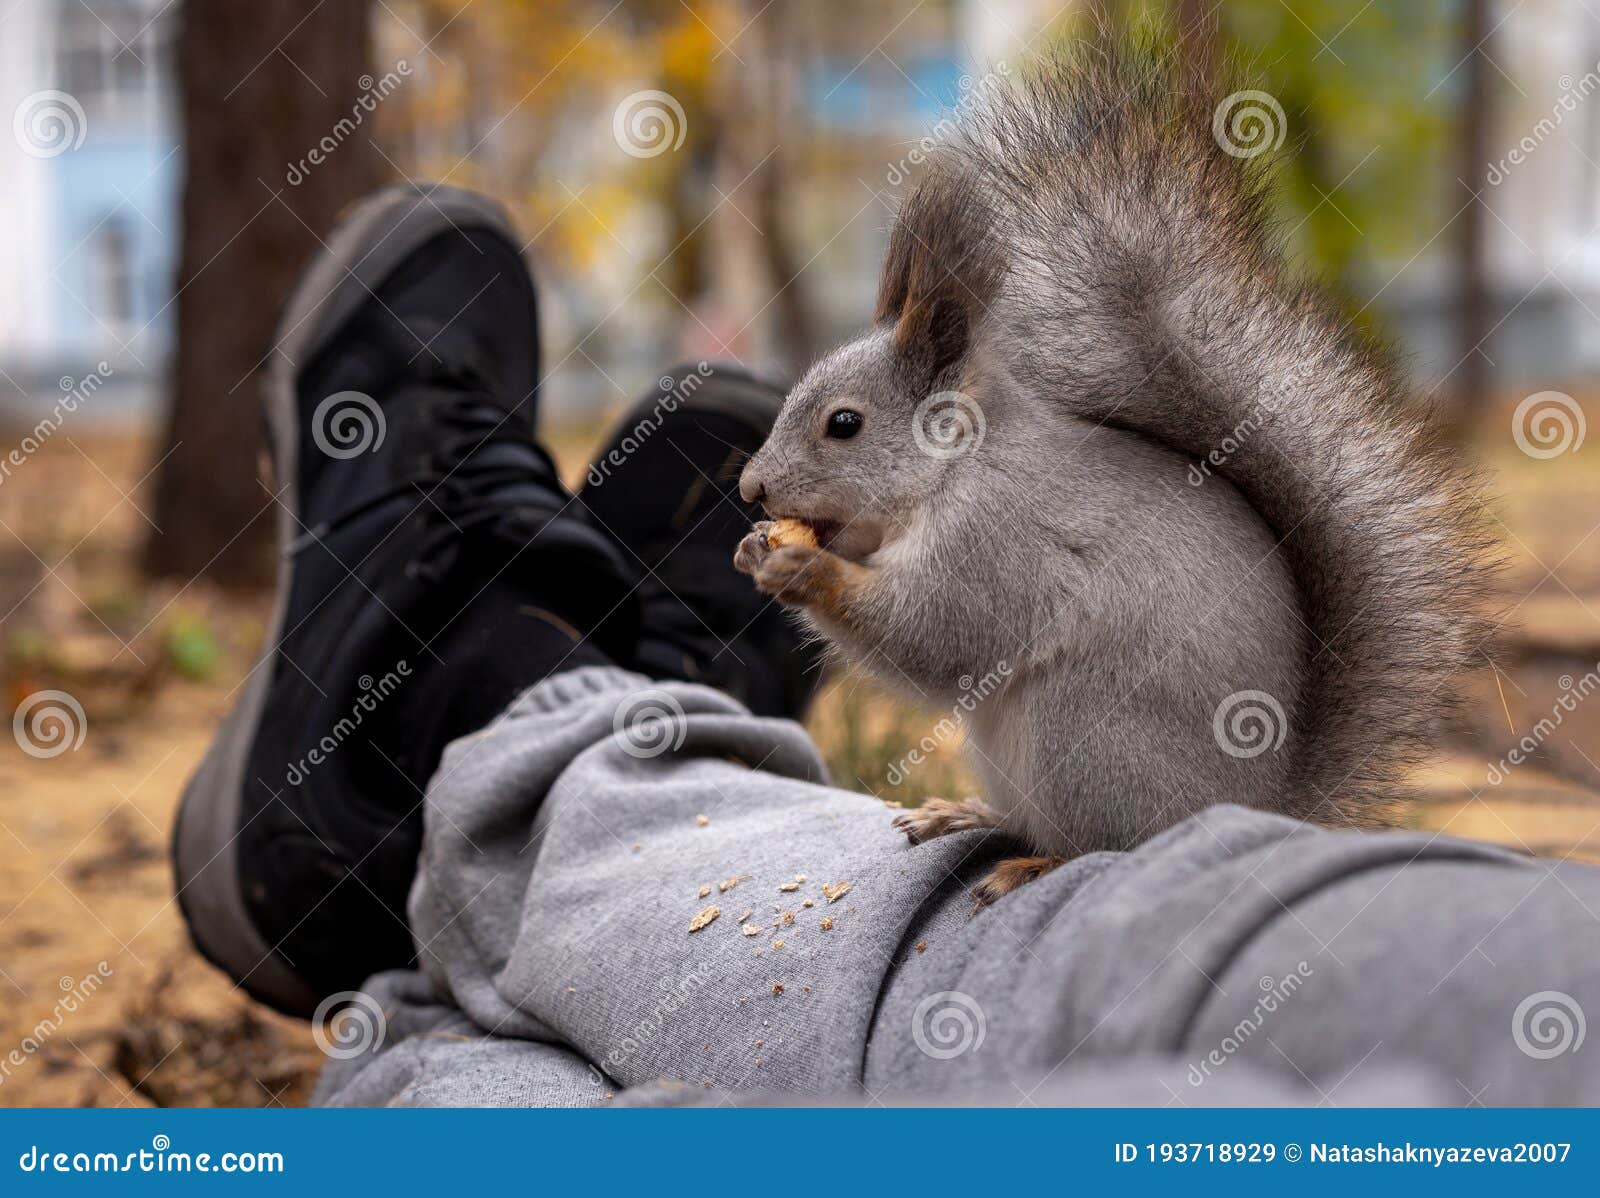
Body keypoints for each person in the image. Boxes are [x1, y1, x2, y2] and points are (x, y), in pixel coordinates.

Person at [173, 185, 1600, 1107]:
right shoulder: (987, 484)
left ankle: (507, 734)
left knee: (1029, 959)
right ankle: (486, 940)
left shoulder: (995, 502)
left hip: (1165, 774)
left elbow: (938, 642)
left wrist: (822, 591)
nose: (770, 473)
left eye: (836, 436)